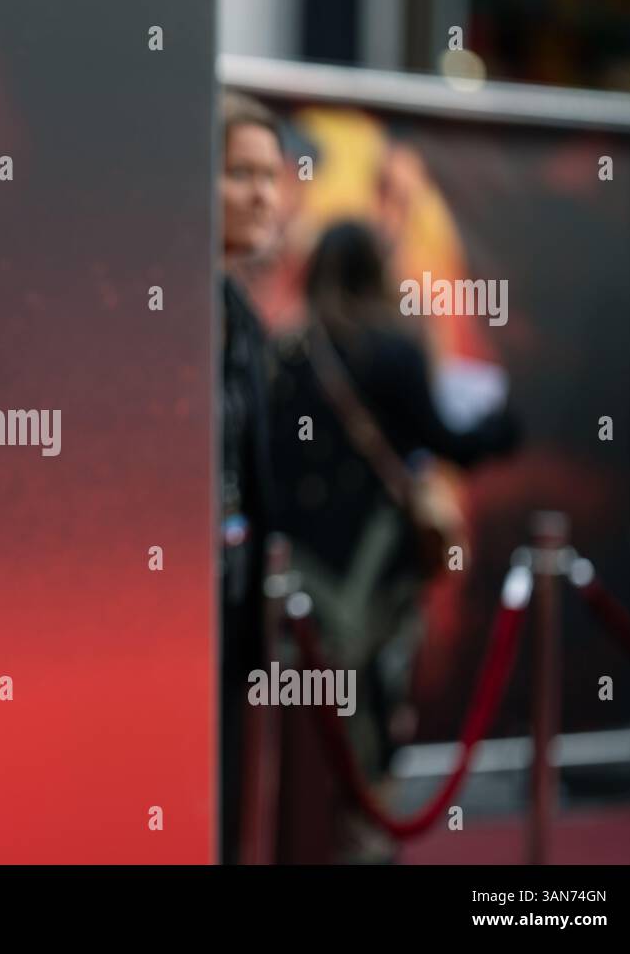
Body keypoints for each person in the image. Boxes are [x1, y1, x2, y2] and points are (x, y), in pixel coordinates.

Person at [267, 219, 521, 862]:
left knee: (312, 709)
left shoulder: (289, 350)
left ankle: (309, 833)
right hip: (377, 571)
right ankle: (367, 837)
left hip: (303, 571)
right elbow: (448, 443)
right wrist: (500, 425)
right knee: (377, 700)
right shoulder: (395, 349)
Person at [217, 91, 282, 864]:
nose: (265, 194)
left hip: (233, 605)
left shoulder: (242, 311)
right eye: (241, 173)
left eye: (271, 174)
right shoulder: (167, 312)